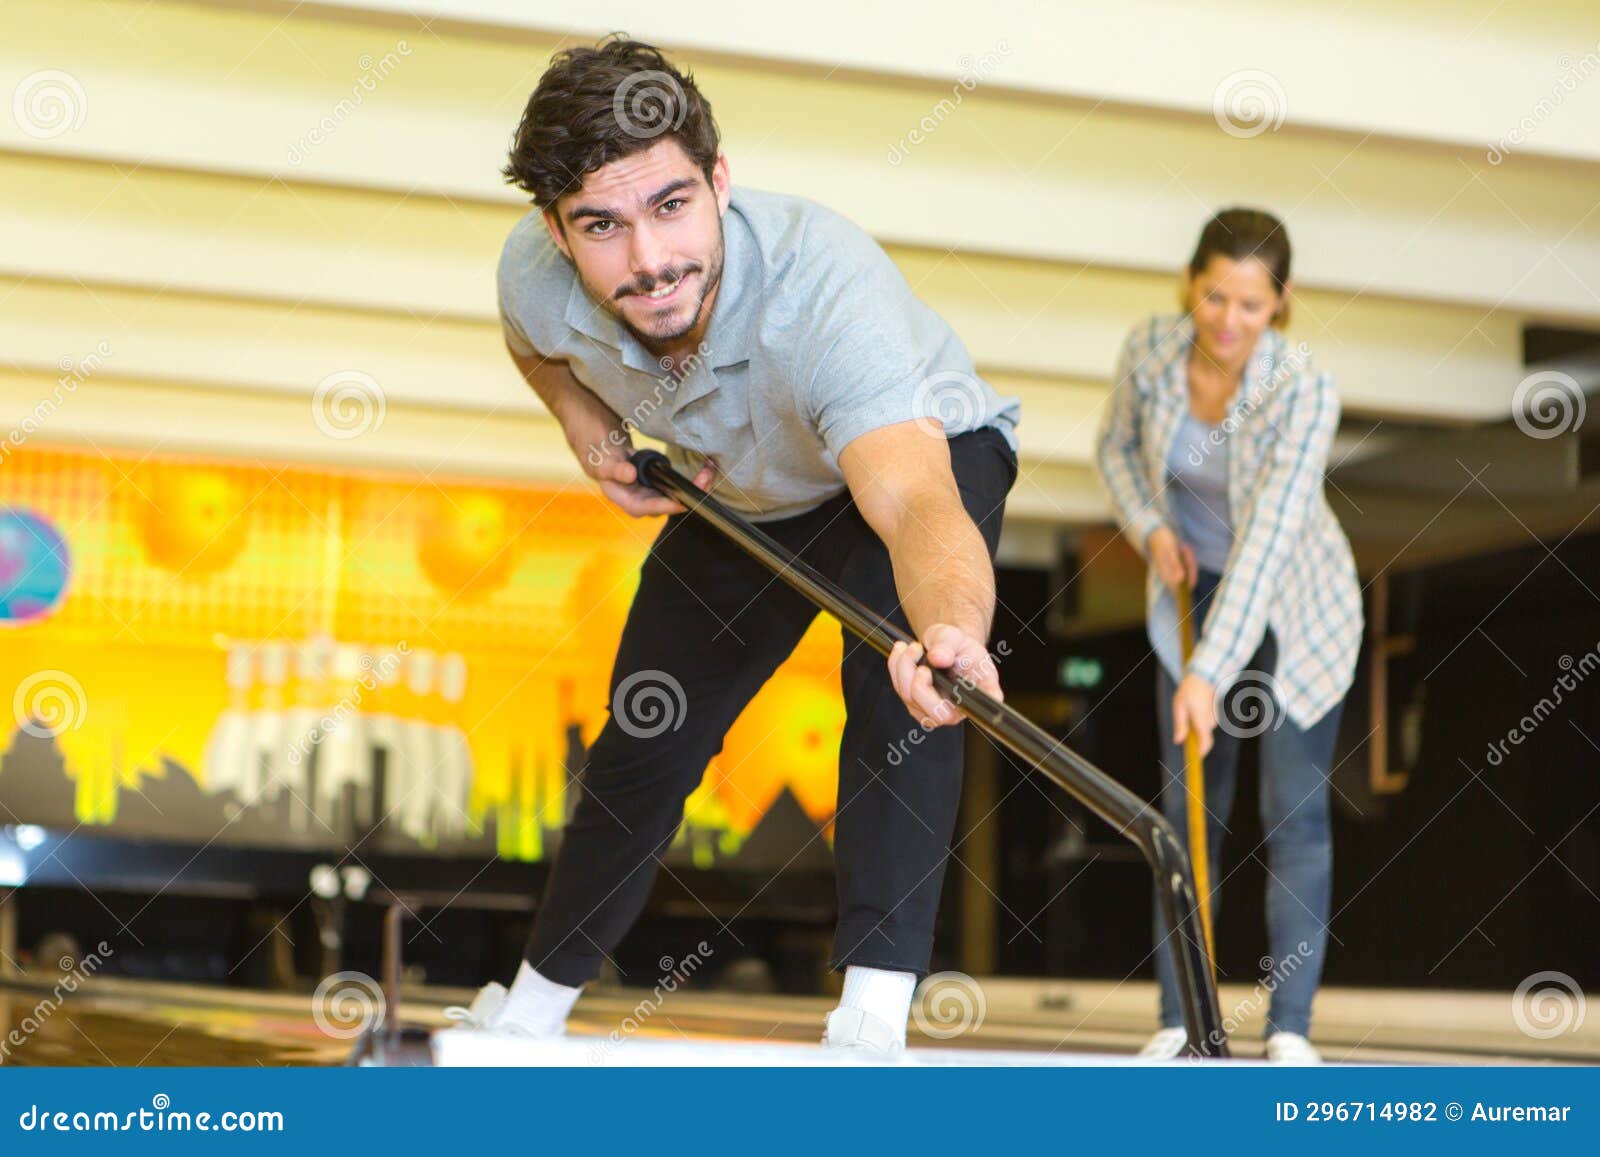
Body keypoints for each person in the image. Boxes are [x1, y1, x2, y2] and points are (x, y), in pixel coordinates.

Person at [445, 36, 1021, 1057]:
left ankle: (871, 1021)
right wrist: (581, 422)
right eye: (601, 227)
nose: (649, 260)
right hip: (747, 495)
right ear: (555, 231)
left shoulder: (825, 295)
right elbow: (532, 345)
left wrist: (954, 630)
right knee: (644, 732)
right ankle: (530, 1006)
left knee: (900, 677)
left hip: (908, 461)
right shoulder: (531, 277)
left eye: (671, 206)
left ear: (719, 180)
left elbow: (914, 499)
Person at [1094, 208, 1362, 1063]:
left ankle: (1290, 1029)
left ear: (1280, 304)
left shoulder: (1304, 387)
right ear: (1190, 284)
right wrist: (1148, 529)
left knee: (1293, 812)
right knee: (1187, 810)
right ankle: (1182, 1019)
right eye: (1215, 296)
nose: (1228, 321)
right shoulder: (1149, 351)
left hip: (1294, 603)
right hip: (1189, 589)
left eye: (1250, 305)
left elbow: (1268, 541)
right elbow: (1116, 453)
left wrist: (1209, 672)